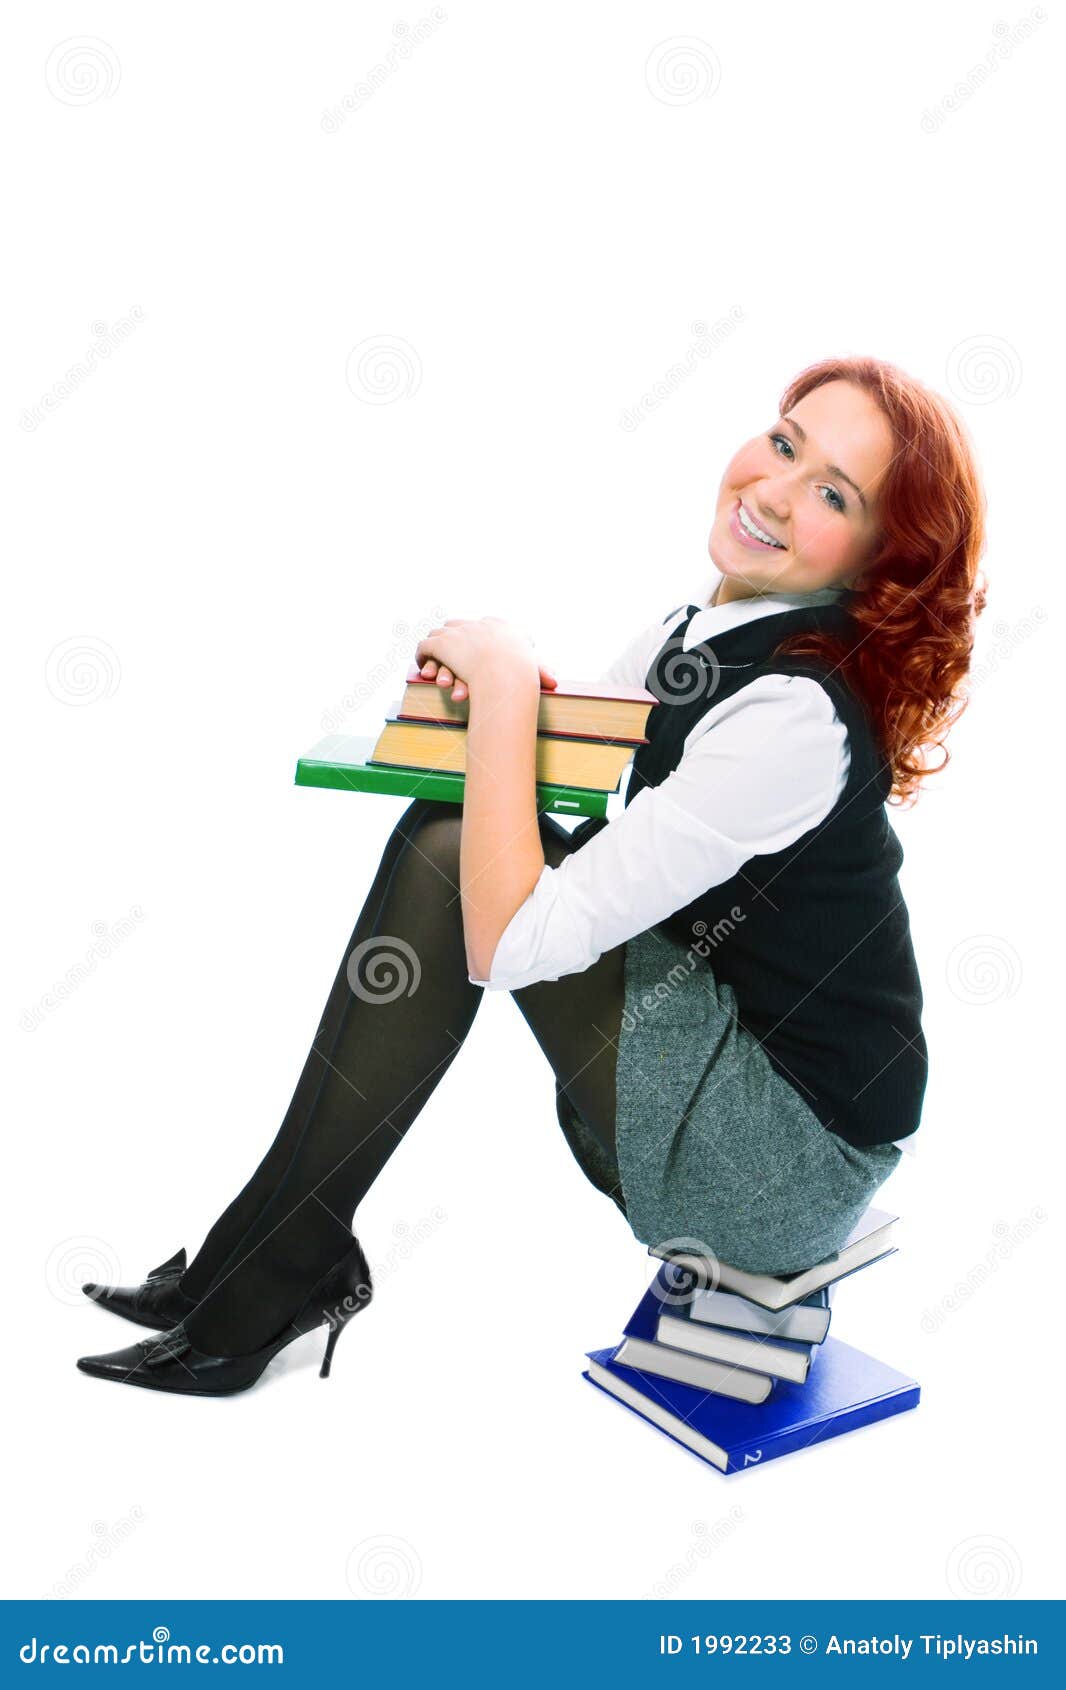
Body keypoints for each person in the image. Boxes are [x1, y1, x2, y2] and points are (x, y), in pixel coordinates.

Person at [76, 354, 987, 1396]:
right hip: (722, 1045)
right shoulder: (708, 629)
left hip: (782, 1157)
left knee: (452, 854)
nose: (774, 491)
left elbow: (510, 944)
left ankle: (276, 1260)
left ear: (877, 559)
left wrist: (506, 680)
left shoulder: (790, 713)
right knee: (453, 830)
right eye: (783, 443)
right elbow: (584, 760)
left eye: (832, 493)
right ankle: (267, 1248)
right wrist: (490, 704)